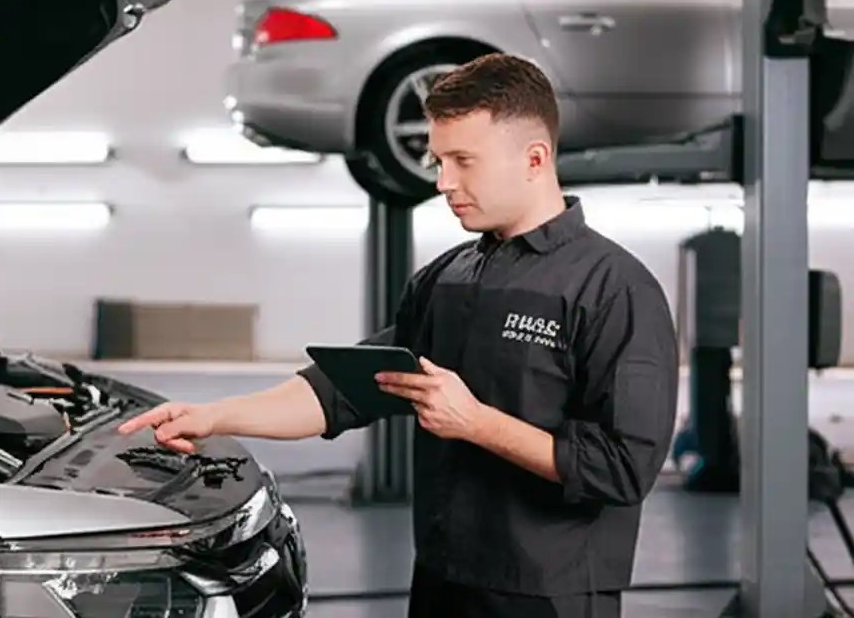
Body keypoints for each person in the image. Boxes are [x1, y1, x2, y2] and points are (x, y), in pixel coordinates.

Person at [118, 53, 680, 618]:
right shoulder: (448, 278)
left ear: (535, 159)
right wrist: (216, 417)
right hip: (441, 579)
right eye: (438, 160)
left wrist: (476, 422)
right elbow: (342, 390)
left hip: (547, 591)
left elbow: (623, 467)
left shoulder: (613, 290)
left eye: (463, 160)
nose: (443, 182)